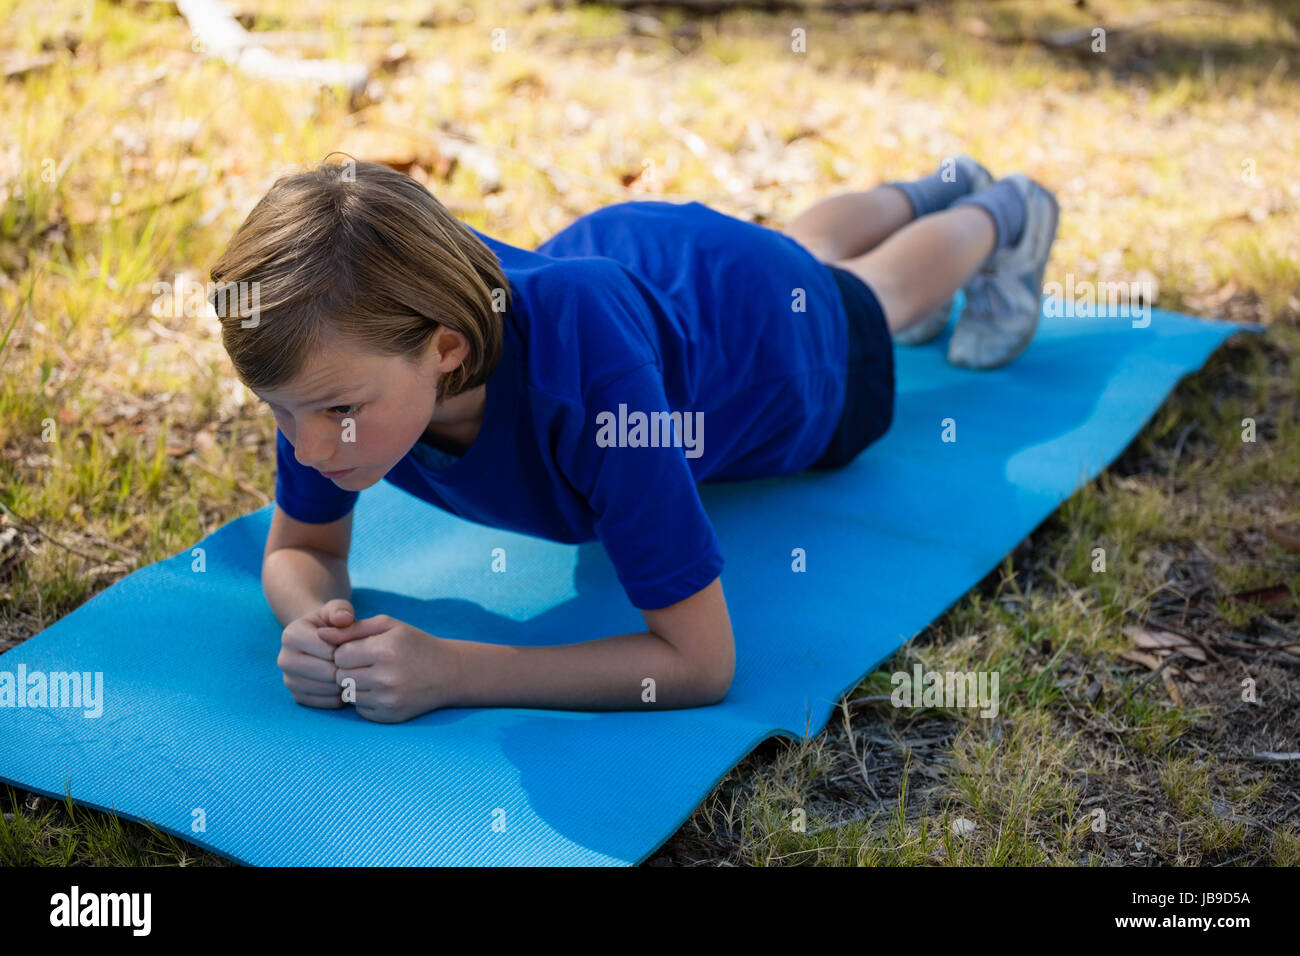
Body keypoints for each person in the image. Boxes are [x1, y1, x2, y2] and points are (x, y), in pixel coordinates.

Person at [209, 156, 1058, 723]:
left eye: (333, 414)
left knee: (867, 293)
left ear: (446, 350)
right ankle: (938, 180)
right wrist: (315, 623)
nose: (310, 448)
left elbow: (699, 663)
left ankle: (1002, 211)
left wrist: (457, 672)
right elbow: (303, 547)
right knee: (803, 246)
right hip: (639, 263)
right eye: (280, 414)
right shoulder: (337, 364)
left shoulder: (595, 395)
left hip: (764, 339)